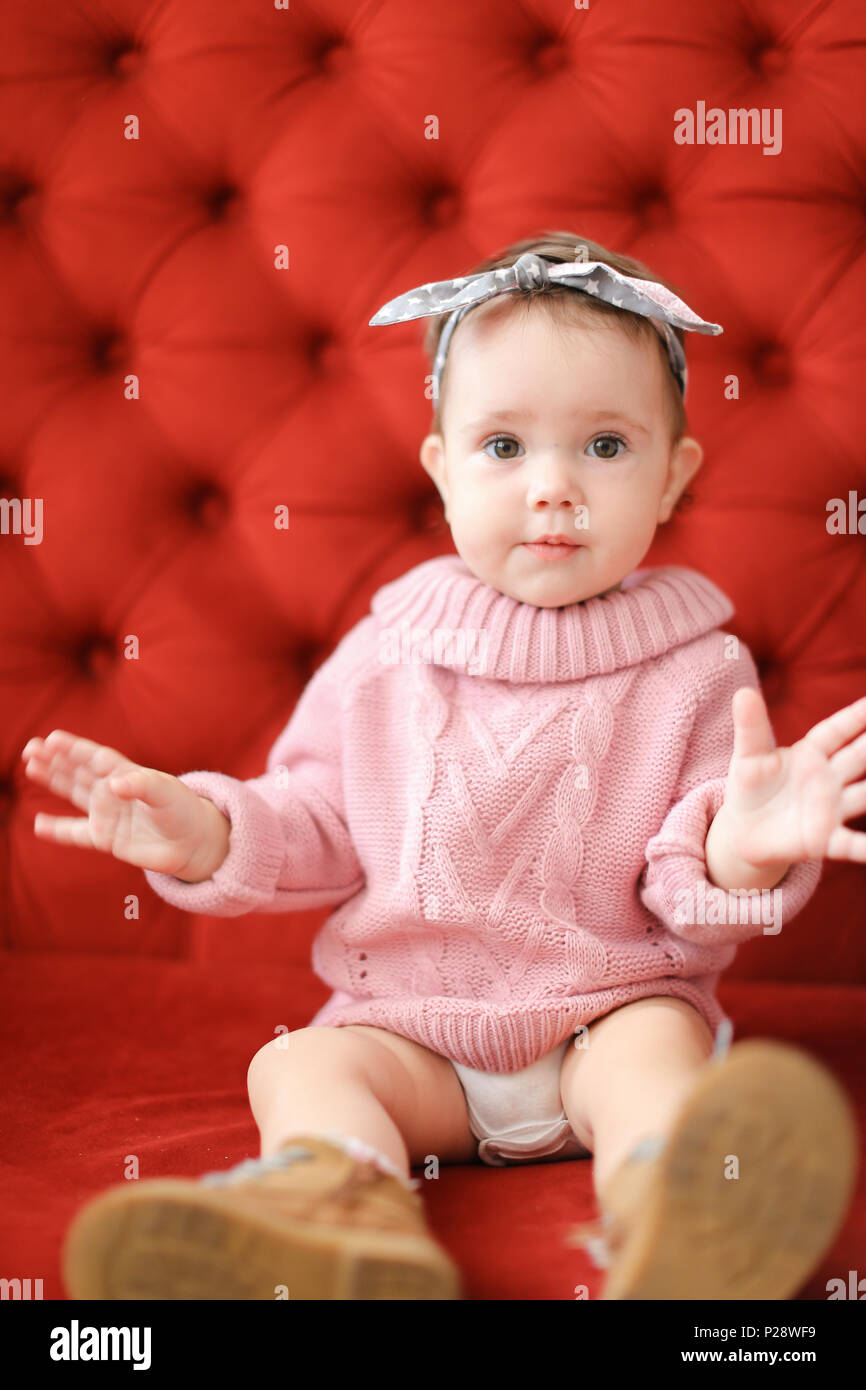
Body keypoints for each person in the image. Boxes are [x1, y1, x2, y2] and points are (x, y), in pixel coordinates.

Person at [23, 231, 862, 1301]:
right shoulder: (387, 653)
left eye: (604, 447)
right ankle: (338, 1213)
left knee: (659, 1053)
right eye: (503, 447)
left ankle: (674, 1210)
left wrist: (736, 851)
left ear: (670, 476)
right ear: (440, 469)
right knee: (297, 1065)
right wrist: (207, 829)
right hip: (409, 1035)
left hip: (600, 1018)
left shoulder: (698, 669)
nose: (551, 488)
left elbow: (680, 879)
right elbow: (319, 815)